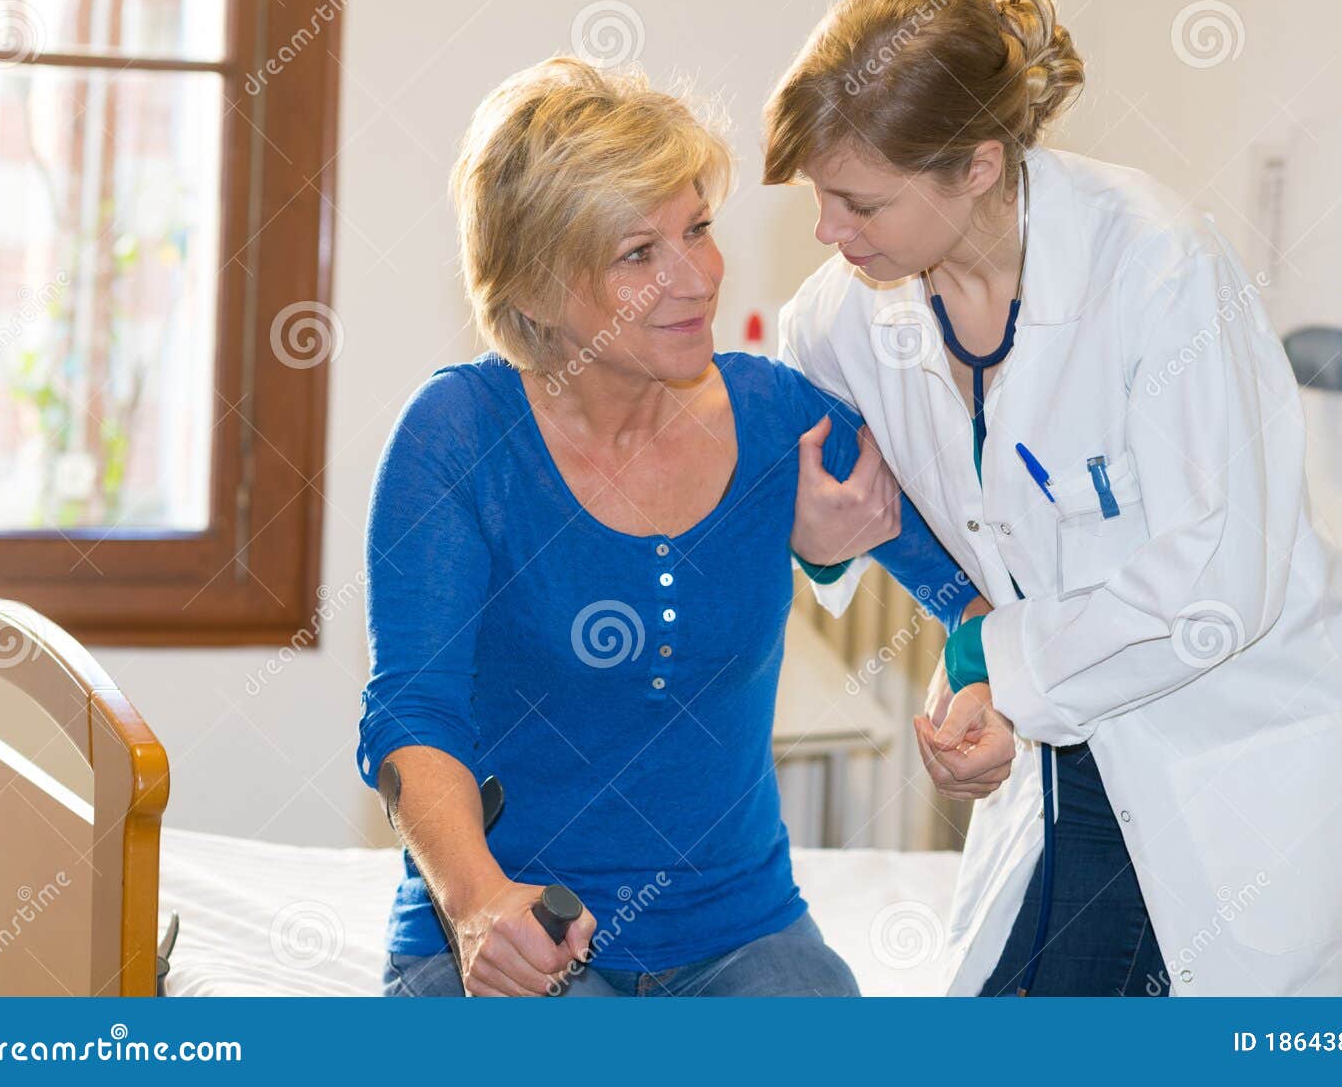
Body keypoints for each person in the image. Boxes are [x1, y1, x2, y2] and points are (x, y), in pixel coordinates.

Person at [765, 0, 1342, 996]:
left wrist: (991, 660)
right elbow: (853, 506)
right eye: (818, 196)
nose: (827, 230)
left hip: (1230, 754)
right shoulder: (842, 317)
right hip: (1056, 760)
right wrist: (850, 556)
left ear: (979, 166)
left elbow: (1214, 581)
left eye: (858, 201)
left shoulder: (1154, 269)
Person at [358, 56, 983, 997]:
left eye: (697, 229)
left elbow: (974, 589)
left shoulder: (782, 419)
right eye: (638, 254)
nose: (695, 279)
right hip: (515, 937)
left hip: (742, 933)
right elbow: (413, 711)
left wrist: (974, 675)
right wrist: (477, 901)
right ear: (534, 287)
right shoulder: (458, 436)